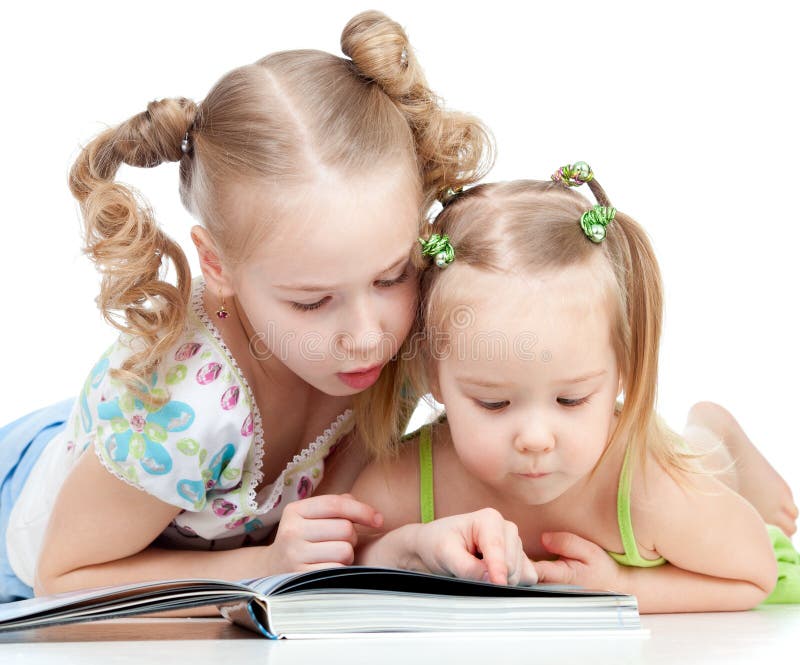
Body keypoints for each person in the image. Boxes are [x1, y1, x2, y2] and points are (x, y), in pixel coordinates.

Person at [0, 10, 493, 603]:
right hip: (37, 528)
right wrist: (267, 561)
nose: (366, 336)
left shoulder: (401, 331)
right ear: (217, 267)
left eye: (393, 275)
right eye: (311, 302)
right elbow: (63, 580)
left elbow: (342, 526)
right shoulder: (184, 409)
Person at [351, 164, 800, 612]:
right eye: (494, 402)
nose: (535, 438)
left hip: (696, 489)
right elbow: (343, 564)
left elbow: (754, 577)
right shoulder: (407, 481)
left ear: (623, 369)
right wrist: (409, 544)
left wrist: (622, 586)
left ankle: (716, 430)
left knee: (706, 459)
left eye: (571, 399)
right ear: (433, 373)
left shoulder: (652, 488)